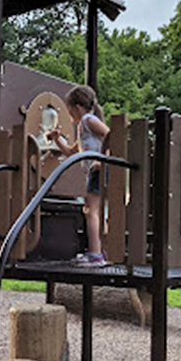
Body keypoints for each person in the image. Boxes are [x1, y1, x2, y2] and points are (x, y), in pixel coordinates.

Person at [49, 85, 110, 266]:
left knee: (90, 211)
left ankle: (95, 255)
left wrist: (102, 159)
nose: (69, 115)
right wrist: (57, 139)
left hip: (100, 169)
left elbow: (112, 136)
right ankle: (102, 251)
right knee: (95, 211)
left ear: (76, 108)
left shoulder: (88, 120)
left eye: (69, 111)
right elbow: (70, 152)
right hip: (96, 171)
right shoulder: (83, 128)